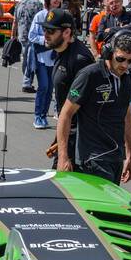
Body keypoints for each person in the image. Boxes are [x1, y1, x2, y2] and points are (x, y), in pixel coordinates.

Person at [56, 30, 131, 184]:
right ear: (109, 52)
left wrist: (130, 156)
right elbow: (65, 114)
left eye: (130, 61)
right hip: (92, 159)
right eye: (120, 59)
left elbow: (127, 116)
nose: (125, 65)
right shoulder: (89, 75)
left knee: (111, 207)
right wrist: (63, 157)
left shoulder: (127, 77)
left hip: (116, 157)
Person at [41, 9, 93, 167]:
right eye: (44, 29)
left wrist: (64, 154)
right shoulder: (62, 52)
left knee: (64, 188)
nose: (45, 34)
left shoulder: (80, 60)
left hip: (78, 140)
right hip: (67, 133)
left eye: (50, 31)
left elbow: (82, 107)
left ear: (66, 32)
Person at [28, 0, 63, 128]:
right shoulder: (40, 16)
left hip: (55, 57)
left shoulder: (62, 16)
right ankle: (37, 116)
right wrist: (47, 40)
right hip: (41, 56)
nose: (56, 0)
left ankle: (44, 115)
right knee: (43, 86)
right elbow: (32, 36)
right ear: (48, 0)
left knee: (50, 89)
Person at [14, 0, 42, 93]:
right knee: (31, 59)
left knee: (26, 58)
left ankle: (27, 80)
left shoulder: (20, 3)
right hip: (33, 36)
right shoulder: (38, 4)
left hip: (22, 35)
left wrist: (13, 35)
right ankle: (27, 82)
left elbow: (15, 21)